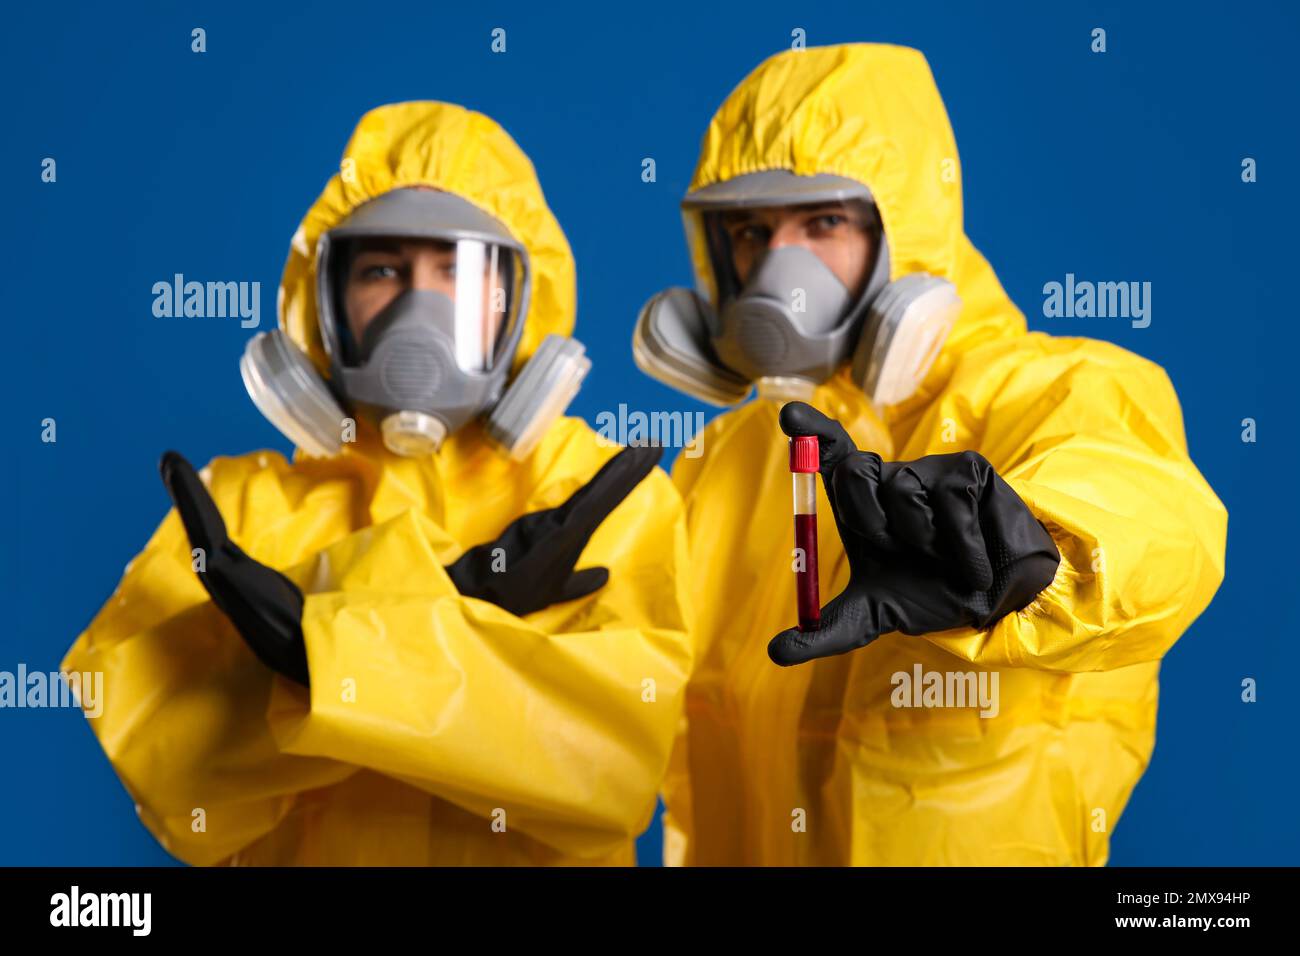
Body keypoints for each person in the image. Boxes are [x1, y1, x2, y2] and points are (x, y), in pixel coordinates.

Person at [634, 44, 1227, 865]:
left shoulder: (1052, 391)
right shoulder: (729, 457)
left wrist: (1028, 549)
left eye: (825, 223)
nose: (779, 267)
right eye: (749, 231)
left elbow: (1159, 523)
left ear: (903, 228)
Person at [62, 101, 693, 866]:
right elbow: (175, 781)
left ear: (518, 303)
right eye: (383, 270)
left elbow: (610, 768)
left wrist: (311, 653)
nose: (418, 308)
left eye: (456, 272)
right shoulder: (236, 505)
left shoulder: (592, 496)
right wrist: (457, 616)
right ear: (324, 303)